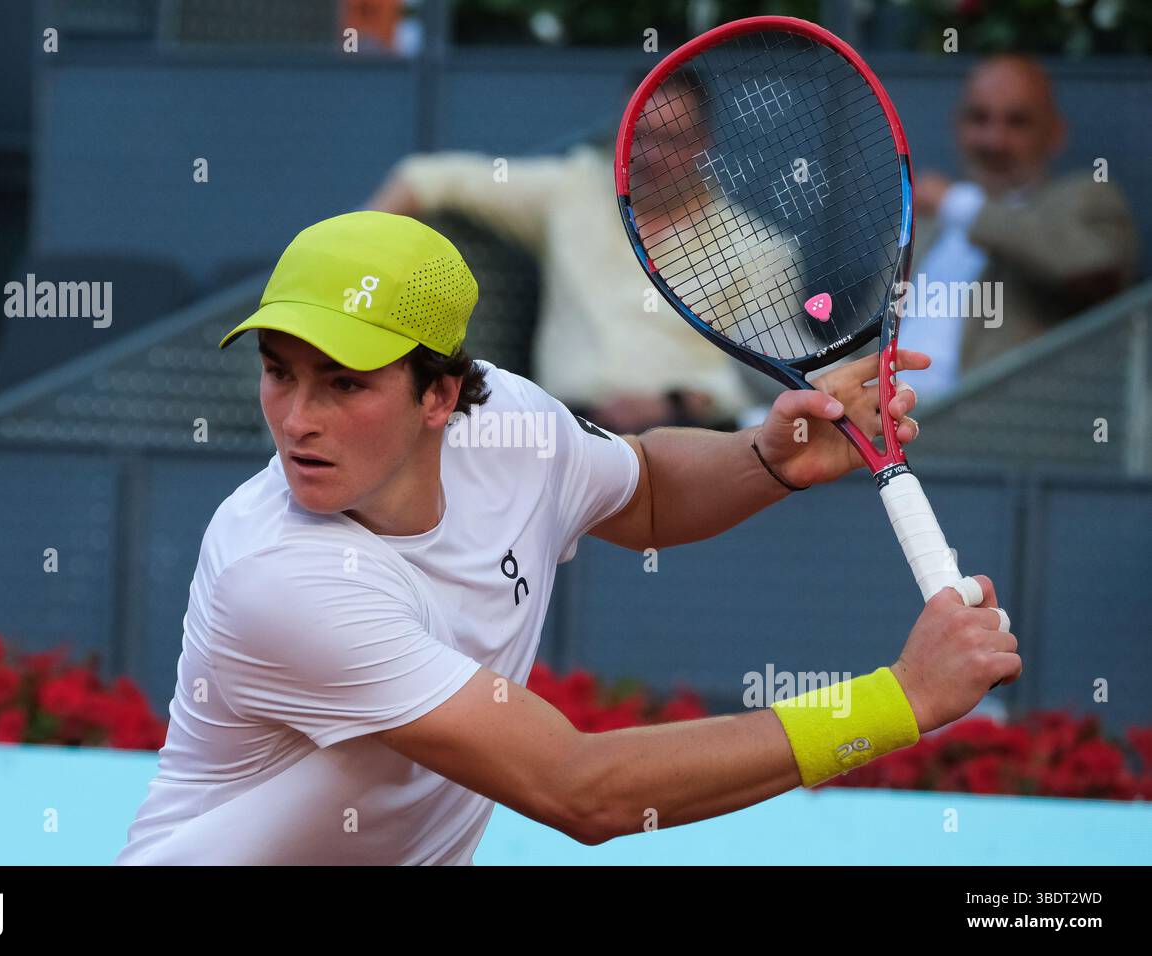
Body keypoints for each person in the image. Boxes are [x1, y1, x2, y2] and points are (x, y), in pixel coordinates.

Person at [115, 210, 1019, 865]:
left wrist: (772, 454)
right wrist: (897, 700)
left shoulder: (508, 421)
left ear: (440, 397)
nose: (296, 419)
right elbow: (585, 792)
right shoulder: (282, 577)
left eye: (341, 384)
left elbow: (649, 488)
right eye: (279, 375)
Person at [364, 76, 778, 434]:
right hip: (565, 432)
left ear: (702, 143)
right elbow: (427, 178)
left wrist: (678, 403)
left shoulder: (760, 250)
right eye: (639, 133)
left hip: (694, 436)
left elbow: (764, 380)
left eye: (670, 139)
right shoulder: (573, 191)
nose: (650, 155)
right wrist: (351, 270)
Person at [904, 54, 1138, 402]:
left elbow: (1094, 268)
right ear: (957, 127)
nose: (994, 141)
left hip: (986, 430)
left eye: (1017, 122)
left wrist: (960, 205)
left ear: (1055, 133)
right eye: (979, 118)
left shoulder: (1082, 199)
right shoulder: (926, 222)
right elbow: (867, 333)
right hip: (878, 423)